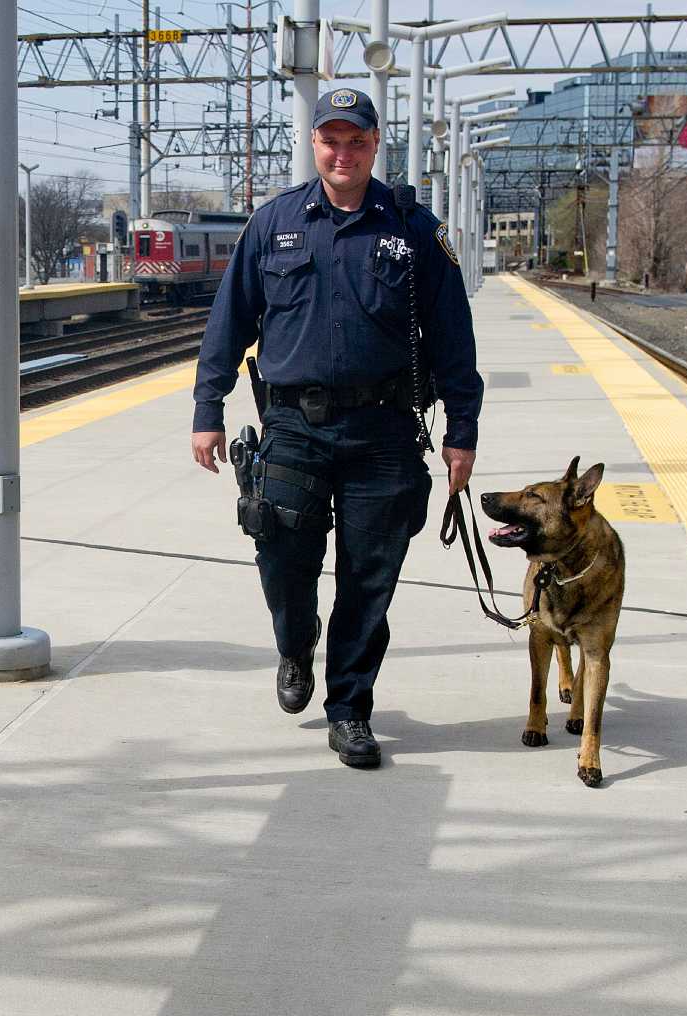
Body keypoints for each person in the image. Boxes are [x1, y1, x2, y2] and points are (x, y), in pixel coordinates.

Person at [191, 87, 482, 769]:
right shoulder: (275, 223)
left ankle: (350, 707)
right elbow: (227, 322)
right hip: (293, 426)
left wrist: (462, 429)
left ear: (376, 145)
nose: (342, 152)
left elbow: (452, 337)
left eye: (356, 140)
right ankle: (296, 643)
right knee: (283, 563)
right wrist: (208, 409)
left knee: (368, 582)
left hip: (383, 433)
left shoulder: (412, 228)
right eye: (331, 140)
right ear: (314, 145)